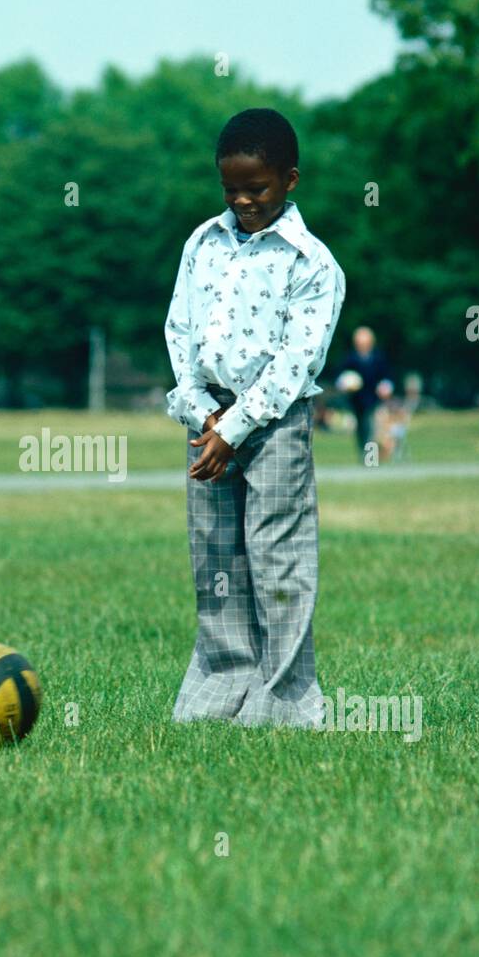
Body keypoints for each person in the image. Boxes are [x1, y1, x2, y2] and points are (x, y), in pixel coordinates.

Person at [164, 108, 345, 728]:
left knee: (275, 560)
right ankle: (220, 687)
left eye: (257, 188)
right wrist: (199, 410)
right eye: (230, 188)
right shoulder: (202, 243)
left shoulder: (312, 263)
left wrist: (235, 427)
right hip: (205, 418)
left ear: (290, 180)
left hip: (273, 425)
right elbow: (181, 330)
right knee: (216, 560)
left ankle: (284, 701)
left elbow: (298, 362)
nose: (242, 200)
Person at [335, 327, 393, 459]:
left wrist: (386, 387)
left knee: (372, 428)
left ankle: (370, 460)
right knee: (361, 429)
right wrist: (345, 384)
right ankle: (364, 455)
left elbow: (387, 377)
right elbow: (340, 377)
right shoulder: (350, 358)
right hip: (357, 401)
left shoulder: (378, 358)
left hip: (374, 400)